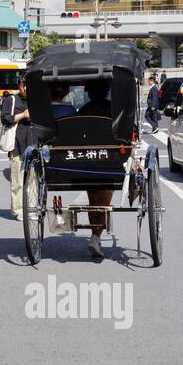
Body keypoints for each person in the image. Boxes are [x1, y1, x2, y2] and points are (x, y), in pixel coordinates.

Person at [77, 82, 113, 258]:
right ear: (107, 91)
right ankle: (95, 236)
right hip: (109, 162)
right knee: (102, 195)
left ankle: (95, 235)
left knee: (93, 196)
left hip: (84, 162)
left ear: (89, 93)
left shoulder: (82, 112)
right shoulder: (114, 110)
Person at [0, 77, 35, 220]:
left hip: (34, 143)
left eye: (28, 85)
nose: (25, 89)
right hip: (17, 144)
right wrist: (23, 115)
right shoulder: (12, 100)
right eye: (23, 85)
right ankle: (18, 210)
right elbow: (5, 118)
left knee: (34, 179)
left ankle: (33, 208)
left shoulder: (38, 100)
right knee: (17, 180)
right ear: (19, 86)